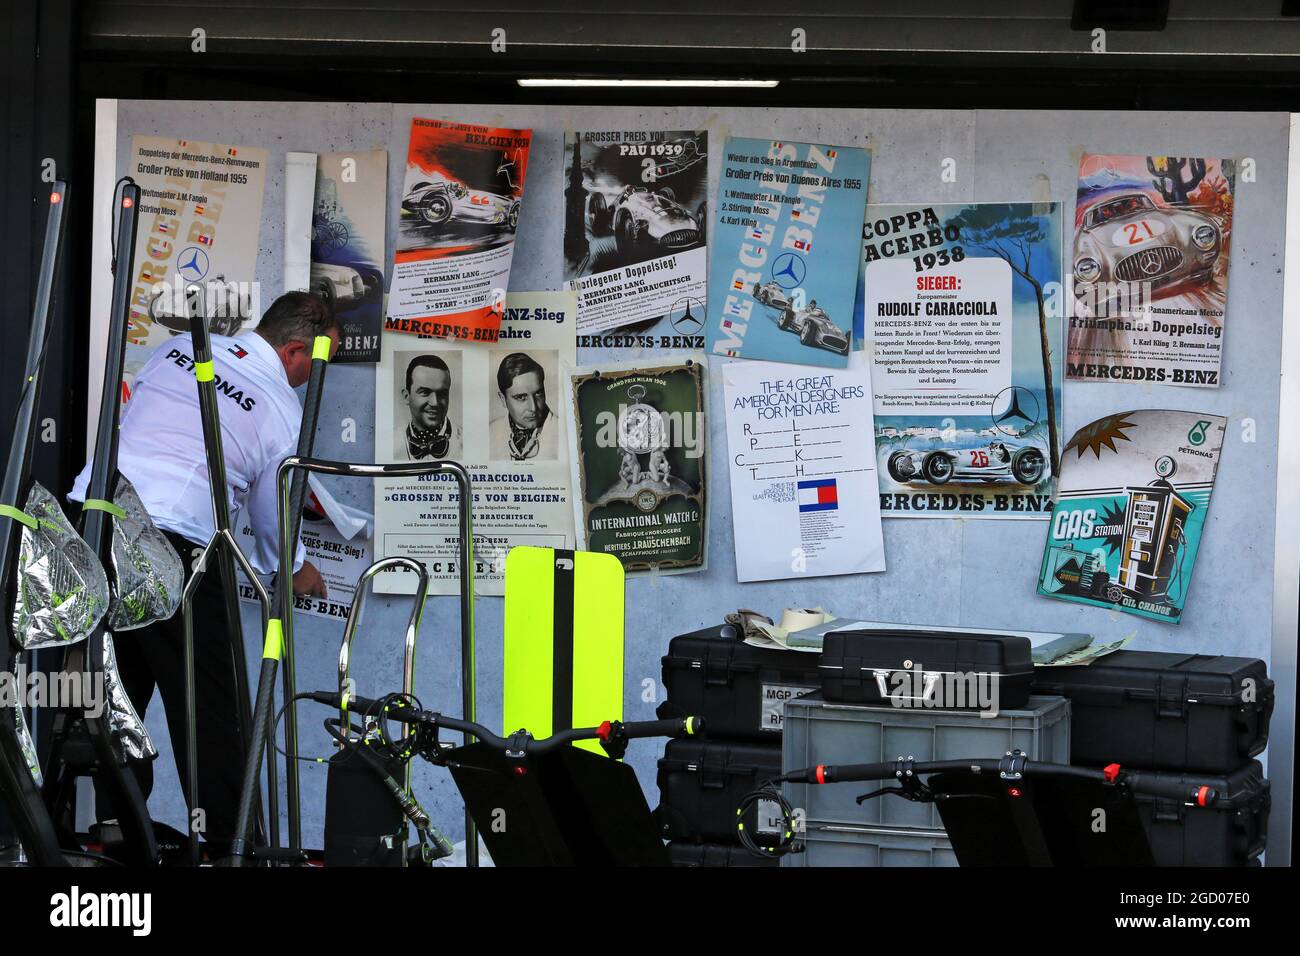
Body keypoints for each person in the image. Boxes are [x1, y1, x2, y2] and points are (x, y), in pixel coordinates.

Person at [68, 290, 337, 856]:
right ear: (294, 351)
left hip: (89, 521)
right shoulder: (282, 411)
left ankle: (95, 832)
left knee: (105, 691)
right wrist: (293, 569)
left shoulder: (175, 352)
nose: (313, 379)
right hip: (175, 541)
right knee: (214, 710)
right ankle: (226, 846)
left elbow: (140, 420)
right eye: (316, 364)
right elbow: (272, 512)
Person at [489, 352, 556, 461]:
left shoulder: (563, 432)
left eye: (538, 394)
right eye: (521, 397)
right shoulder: (489, 433)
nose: (533, 408)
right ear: (503, 399)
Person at [400, 353, 462, 460]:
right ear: (406, 396)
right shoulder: (390, 442)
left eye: (442, 394)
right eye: (424, 392)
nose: (435, 403)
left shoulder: (465, 443)